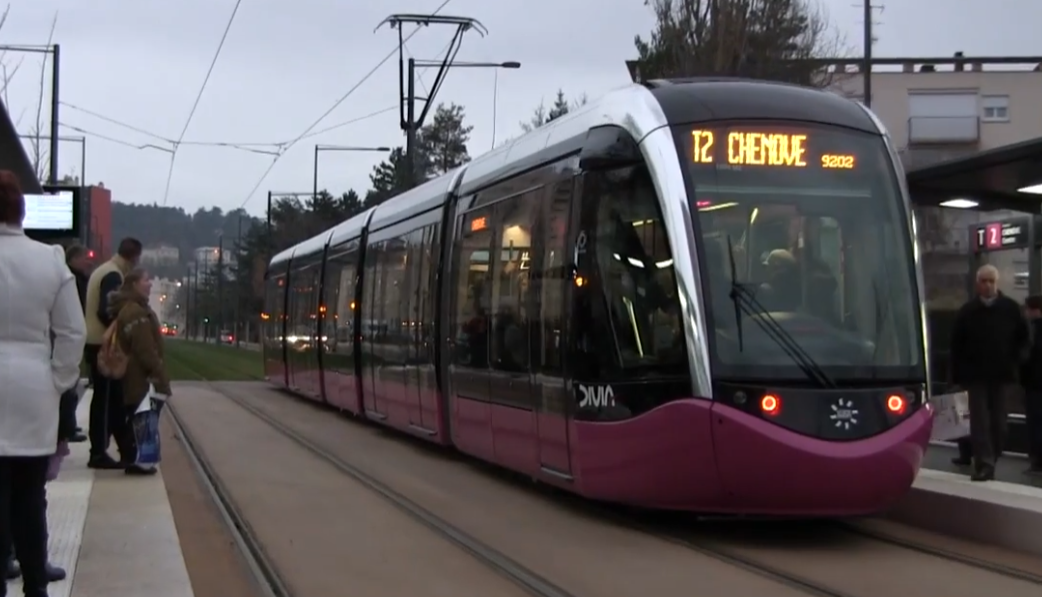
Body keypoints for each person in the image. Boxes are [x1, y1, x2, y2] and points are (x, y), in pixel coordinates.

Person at [0, 170, 87, 597]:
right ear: (22, 212)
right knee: (29, 498)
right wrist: (58, 380)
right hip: (34, 391)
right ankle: (36, 585)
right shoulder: (50, 260)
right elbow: (72, 332)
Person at [950, 264, 1029, 482]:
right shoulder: (967, 312)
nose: (988, 285)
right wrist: (956, 376)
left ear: (997, 283)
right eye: (984, 281)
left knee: (999, 423)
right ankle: (984, 463)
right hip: (975, 376)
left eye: (991, 281)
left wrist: (1016, 361)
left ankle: (992, 456)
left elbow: (1024, 338)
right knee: (980, 421)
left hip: (1002, 375)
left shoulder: (1011, 309)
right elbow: (956, 345)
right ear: (977, 284)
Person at [83, 237, 142, 470]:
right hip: (102, 344)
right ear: (134, 257)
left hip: (96, 341)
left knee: (111, 399)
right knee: (107, 400)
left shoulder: (105, 270)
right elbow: (106, 310)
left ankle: (123, 450)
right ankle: (99, 452)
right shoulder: (113, 275)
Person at [108, 269, 172, 475]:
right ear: (134, 284)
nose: (150, 284)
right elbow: (145, 349)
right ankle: (137, 460)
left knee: (138, 415)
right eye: (146, 280)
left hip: (136, 377)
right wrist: (159, 373)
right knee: (142, 417)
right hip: (141, 378)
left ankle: (135, 457)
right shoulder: (136, 312)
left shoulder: (131, 309)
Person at [1020, 295, 1042, 474]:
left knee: (1035, 423)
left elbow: (1027, 358)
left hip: (1035, 384)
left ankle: (1038, 462)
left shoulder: (1032, 331)